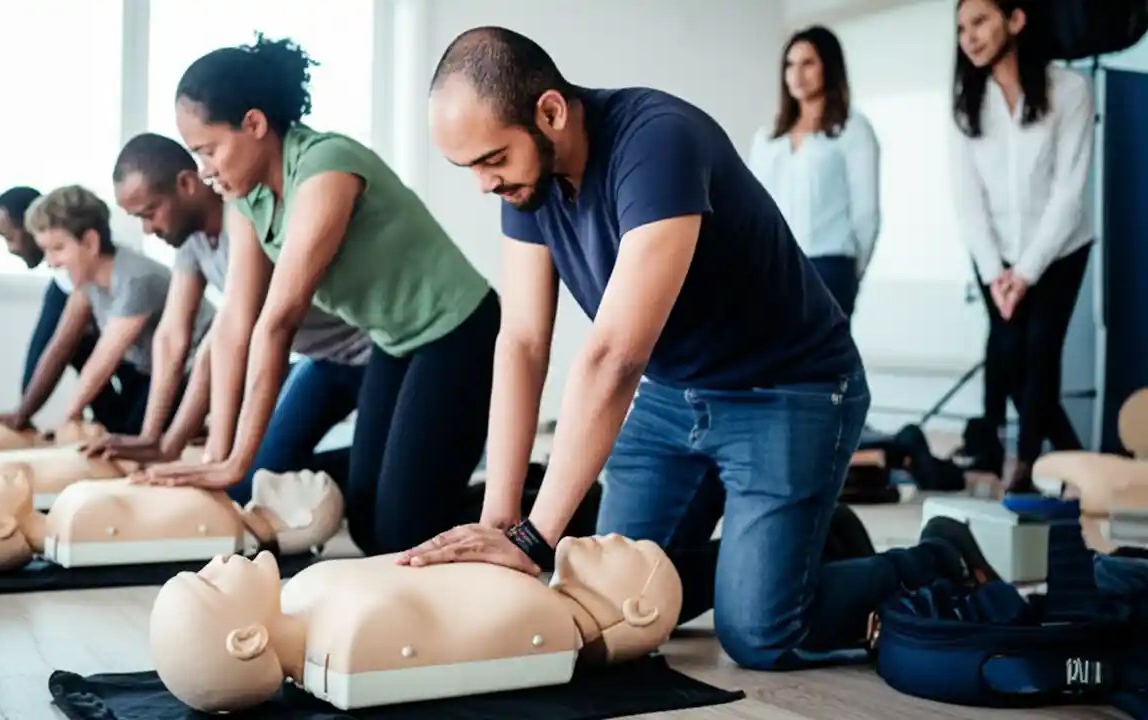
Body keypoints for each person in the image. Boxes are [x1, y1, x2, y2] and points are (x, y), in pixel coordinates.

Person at [400, 26, 999, 671]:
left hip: (789, 390)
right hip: (676, 396)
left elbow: (613, 359)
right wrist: (498, 519)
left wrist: (534, 538)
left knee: (760, 634)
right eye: (471, 168)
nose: (484, 184)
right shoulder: (527, 183)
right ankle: (815, 549)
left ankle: (940, 558)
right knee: (611, 602)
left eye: (491, 160)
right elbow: (520, 342)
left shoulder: (657, 141)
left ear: (549, 112)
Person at [137, 37, 499, 555]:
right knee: (369, 526)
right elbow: (237, 323)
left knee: (402, 534)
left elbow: (277, 323)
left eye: (208, 150)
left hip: (459, 331)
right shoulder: (247, 199)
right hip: (393, 344)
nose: (204, 170)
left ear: (255, 125)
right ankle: (434, 482)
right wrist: (216, 457)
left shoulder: (326, 168)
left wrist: (242, 460)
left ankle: (529, 507)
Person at [85, 132, 372, 504]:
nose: (147, 228)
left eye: (149, 212)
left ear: (186, 184)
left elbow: (235, 331)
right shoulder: (192, 244)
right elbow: (173, 337)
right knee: (254, 480)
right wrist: (155, 440)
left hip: (371, 352)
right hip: (324, 361)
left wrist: (217, 456)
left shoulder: (243, 214)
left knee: (376, 490)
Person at [952, 0, 1094, 492]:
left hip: (1061, 246)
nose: (969, 36)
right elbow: (968, 200)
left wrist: (1026, 272)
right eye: (963, 28)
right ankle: (1074, 463)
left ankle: (1027, 467)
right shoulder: (966, 100)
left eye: (981, 22)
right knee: (1009, 357)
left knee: (1039, 350)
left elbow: (1069, 193)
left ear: (1015, 20)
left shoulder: (1071, 89)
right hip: (996, 255)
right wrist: (998, 275)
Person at [0, 185, 214, 436]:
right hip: (147, 370)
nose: (50, 262)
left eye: (58, 248)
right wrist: (23, 413)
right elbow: (58, 346)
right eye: (47, 250)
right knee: (76, 345)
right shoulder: (86, 284)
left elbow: (104, 360)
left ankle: (182, 429)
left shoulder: (135, 280)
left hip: (190, 373)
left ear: (90, 242)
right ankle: (111, 427)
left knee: (128, 439)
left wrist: (67, 420)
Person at [747, 26, 880, 323]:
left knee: (822, 365)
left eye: (808, 63)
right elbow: (753, 209)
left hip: (830, 268)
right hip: (775, 268)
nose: (797, 74)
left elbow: (866, 214)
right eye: (790, 64)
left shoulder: (852, 129)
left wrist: (851, 275)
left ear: (829, 68)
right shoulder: (767, 138)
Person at [0, 187, 125, 426]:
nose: (10, 248)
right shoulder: (64, 280)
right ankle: (110, 420)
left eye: (10, 237)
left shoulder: (101, 272)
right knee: (63, 345)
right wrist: (23, 412)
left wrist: (24, 414)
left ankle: (118, 421)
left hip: (142, 363)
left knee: (80, 344)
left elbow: (61, 347)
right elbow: (48, 350)